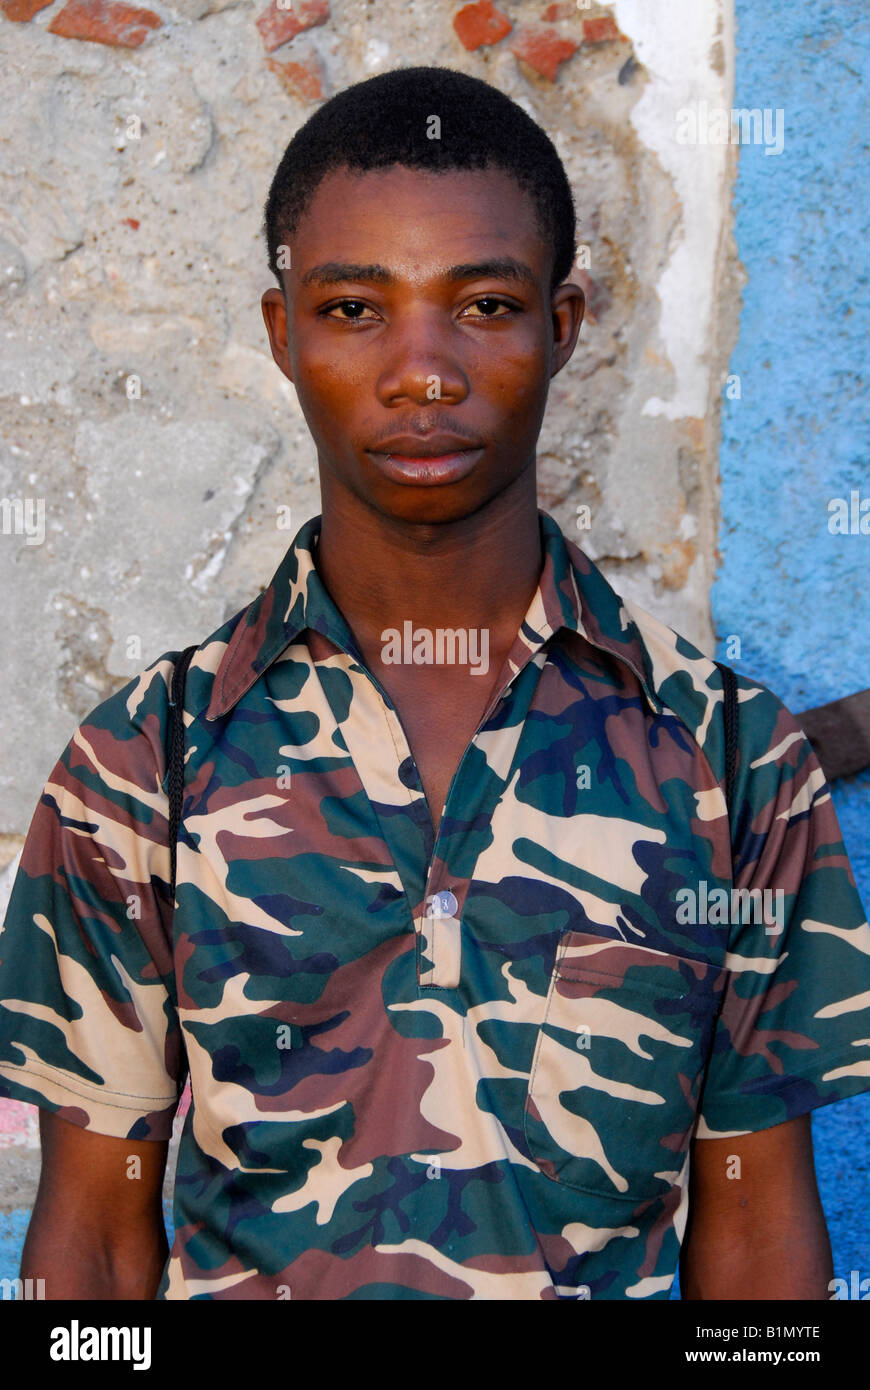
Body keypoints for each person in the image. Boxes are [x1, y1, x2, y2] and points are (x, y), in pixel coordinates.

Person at [1, 65, 868, 1302]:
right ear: (282, 330)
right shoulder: (148, 759)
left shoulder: (733, 759)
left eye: (485, 304)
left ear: (560, 328)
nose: (424, 371)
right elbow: (88, 1243)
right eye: (356, 308)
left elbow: (761, 1231)